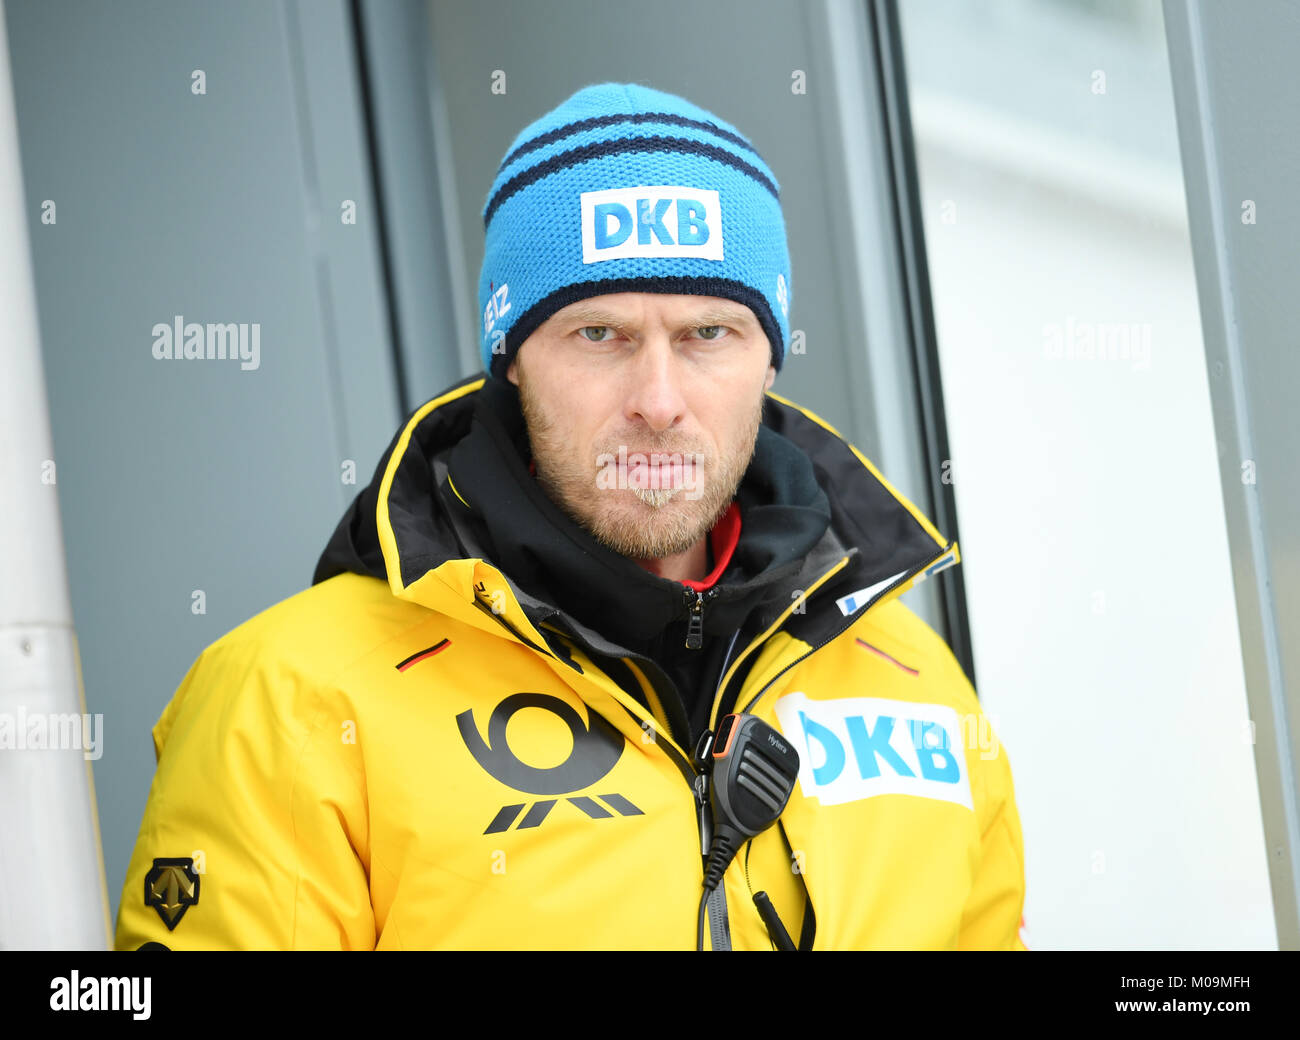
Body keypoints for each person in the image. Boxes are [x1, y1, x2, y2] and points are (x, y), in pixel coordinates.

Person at [114, 82, 1027, 951]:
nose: (659, 400)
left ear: (769, 361)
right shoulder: (291, 703)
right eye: (601, 335)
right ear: (512, 360)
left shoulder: (916, 685)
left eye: (709, 333)